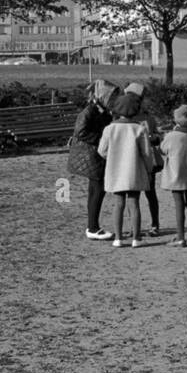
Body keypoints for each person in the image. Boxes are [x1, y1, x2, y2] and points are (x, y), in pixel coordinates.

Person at [98, 93, 156, 247]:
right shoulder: (139, 129)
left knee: (118, 204)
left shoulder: (109, 129)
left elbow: (101, 151)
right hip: (134, 171)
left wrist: (113, 158)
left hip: (116, 172)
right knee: (134, 204)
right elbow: (147, 154)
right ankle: (136, 238)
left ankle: (118, 238)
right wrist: (149, 169)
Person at [68, 79, 121, 241]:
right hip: (92, 155)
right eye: (112, 96)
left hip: (95, 154)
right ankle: (93, 228)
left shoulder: (100, 110)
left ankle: (92, 226)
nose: (114, 100)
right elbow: (81, 132)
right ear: (103, 95)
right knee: (97, 190)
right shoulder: (91, 110)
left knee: (95, 190)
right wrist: (102, 140)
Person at [161, 105, 187, 246]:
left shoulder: (171, 136)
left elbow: (163, 149)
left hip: (176, 174)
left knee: (179, 204)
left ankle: (180, 237)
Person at [124, 82, 162, 236]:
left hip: (145, 161)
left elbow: (157, 136)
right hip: (133, 160)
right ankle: (135, 226)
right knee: (134, 195)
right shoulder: (127, 118)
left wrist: (153, 138)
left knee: (148, 193)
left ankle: (154, 224)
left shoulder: (147, 118)